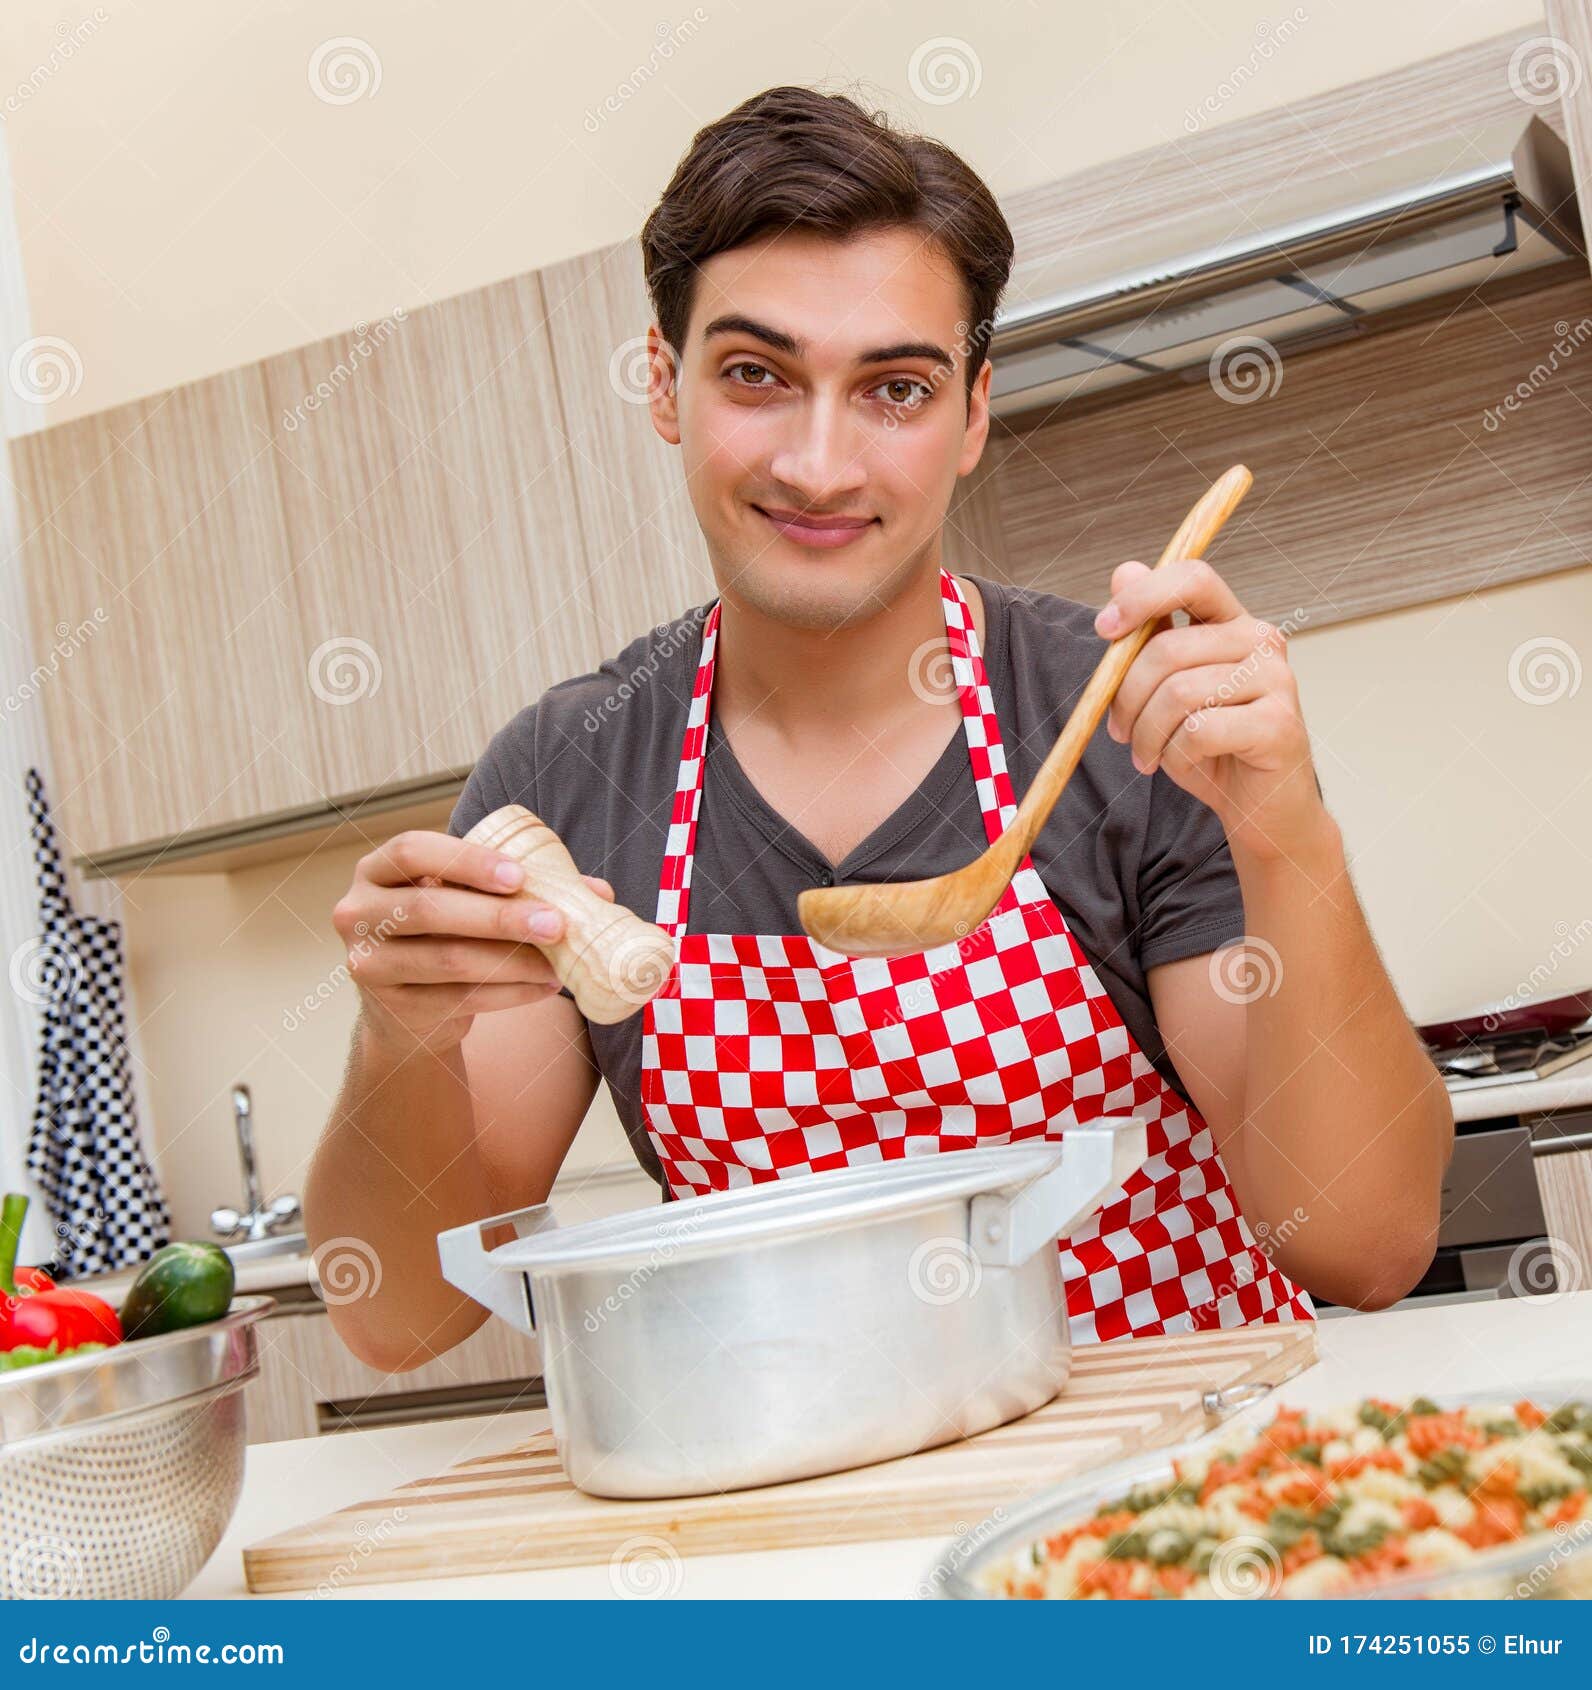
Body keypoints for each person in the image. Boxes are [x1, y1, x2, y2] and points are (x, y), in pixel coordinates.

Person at [306, 85, 1452, 1372]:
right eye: (755, 374)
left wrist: (1283, 828)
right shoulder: (572, 770)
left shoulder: (1121, 715)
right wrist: (399, 1033)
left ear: (970, 415)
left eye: (893, 390)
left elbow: (1363, 1243)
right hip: (804, 1526)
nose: (817, 462)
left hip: (1171, 1510)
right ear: (662, 385)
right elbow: (396, 1317)